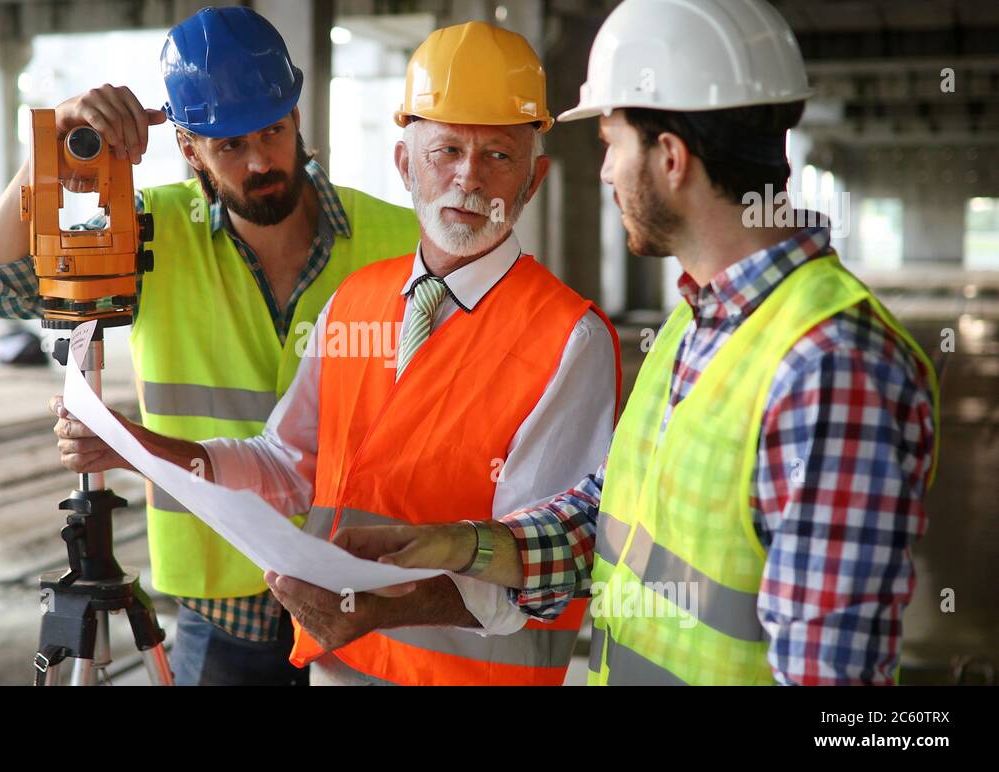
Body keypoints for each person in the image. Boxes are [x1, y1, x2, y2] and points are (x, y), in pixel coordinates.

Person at [334, 0, 940, 686]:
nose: (602, 172)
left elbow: (831, 679)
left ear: (671, 158)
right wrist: (460, 543)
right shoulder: (697, 319)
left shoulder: (830, 365)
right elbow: (609, 519)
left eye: (611, 143)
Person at [51, 21, 621, 685]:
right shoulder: (358, 299)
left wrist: (379, 609)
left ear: (533, 179)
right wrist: (137, 447)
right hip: (339, 669)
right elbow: (287, 463)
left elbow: (541, 566)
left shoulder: (567, 338)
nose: (469, 177)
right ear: (406, 163)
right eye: (446, 150)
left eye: (498, 155)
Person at [0, 6, 419, 685]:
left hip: (361, 586)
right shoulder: (152, 232)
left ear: (296, 117)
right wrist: (51, 140)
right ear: (188, 147)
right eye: (230, 145)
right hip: (221, 601)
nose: (261, 159)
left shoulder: (396, 239)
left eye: (272, 130)